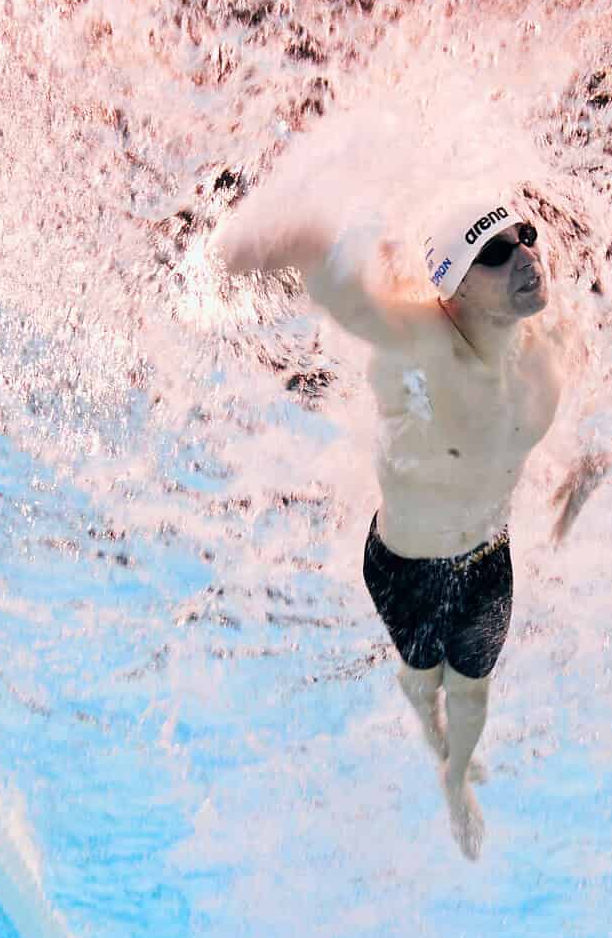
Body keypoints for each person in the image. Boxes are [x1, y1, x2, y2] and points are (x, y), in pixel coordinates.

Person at [221, 192, 588, 859]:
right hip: (407, 569)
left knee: (474, 691)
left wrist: (579, 480)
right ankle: (430, 733)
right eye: (497, 253)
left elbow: (556, 421)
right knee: (424, 678)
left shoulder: (551, 350)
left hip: (490, 559)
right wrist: (287, 235)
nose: (526, 258)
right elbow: (348, 297)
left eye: (525, 237)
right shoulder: (425, 342)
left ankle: (456, 776)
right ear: (454, 287)